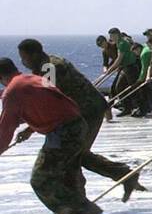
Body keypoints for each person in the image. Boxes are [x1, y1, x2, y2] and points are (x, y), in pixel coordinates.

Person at [15, 39, 140, 200]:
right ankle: (125, 176)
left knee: (74, 155)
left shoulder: (49, 68)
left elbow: (49, 102)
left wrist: (30, 129)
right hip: (81, 111)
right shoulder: (47, 65)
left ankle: (77, 200)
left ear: (34, 54)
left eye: (24, 58)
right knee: (78, 154)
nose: (23, 62)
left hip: (88, 111)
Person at [0, 57, 106, 214]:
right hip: (76, 125)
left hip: (63, 132)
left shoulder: (13, 92)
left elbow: (5, 128)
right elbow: (53, 104)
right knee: (66, 176)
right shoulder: (33, 80)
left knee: (41, 180)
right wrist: (31, 127)